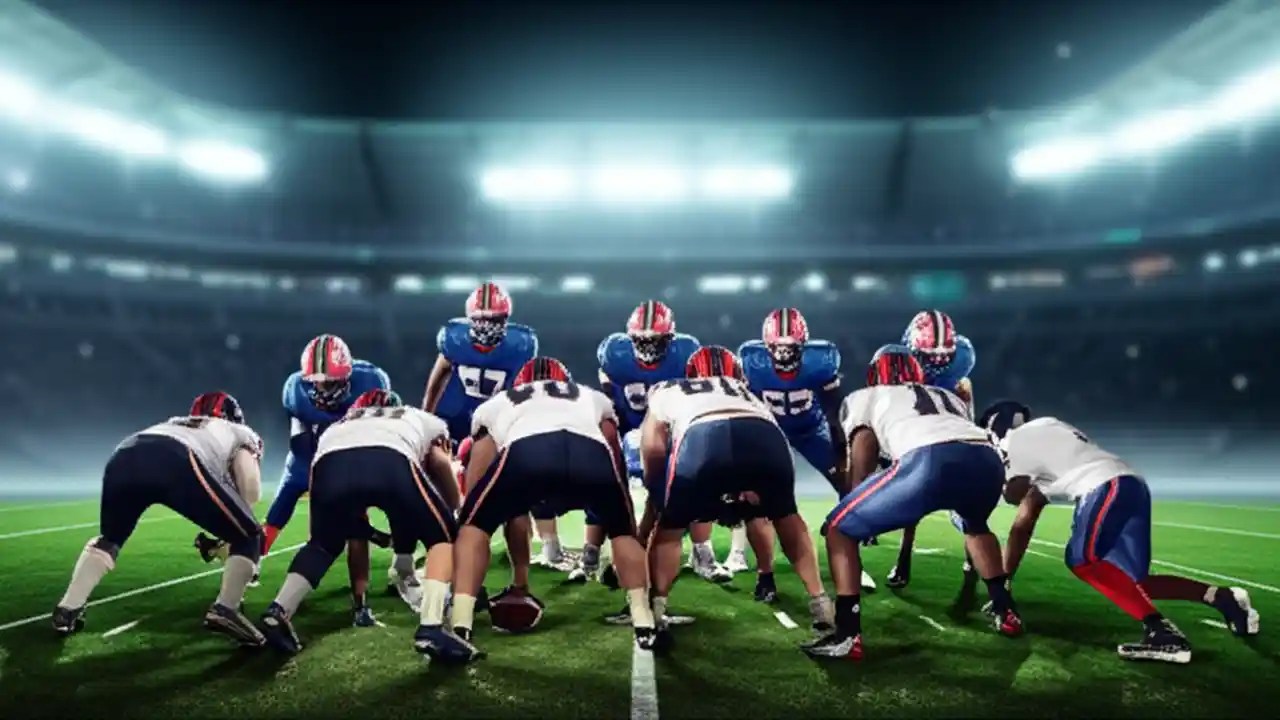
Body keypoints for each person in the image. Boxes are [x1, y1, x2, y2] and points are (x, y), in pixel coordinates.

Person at [985, 401, 1260, 664]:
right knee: (1131, 581)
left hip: (1103, 486)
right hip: (1132, 485)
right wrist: (1005, 581)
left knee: (1082, 560)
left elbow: (1014, 495)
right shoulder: (1047, 436)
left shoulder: (1016, 439)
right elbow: (1024, 521)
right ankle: (1221, 597)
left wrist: (995, 478)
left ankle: (1162, 632)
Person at [804, 348, 1022, 661]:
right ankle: (1006, 610)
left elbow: (864, 448)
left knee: (839, 529)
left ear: (875, 375)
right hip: (986, 460)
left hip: (929, 459)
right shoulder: (949, 396)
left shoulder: (866, 395)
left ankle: (848, 635)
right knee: (976, 527)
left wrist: (853, 501)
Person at [450, 357, 656, 657]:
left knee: (474, 526)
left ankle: (461, 624)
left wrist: (475, 511)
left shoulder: (500, 401)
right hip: (591, 454)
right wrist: (616, 497)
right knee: (623, 533)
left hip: (528, 451)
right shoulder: (590, 396)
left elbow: (480, 463)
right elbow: (611, 442)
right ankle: (644, 620)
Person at [643, 346, 834, 653]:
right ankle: (821, 603)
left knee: (671, 527)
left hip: (703, 435)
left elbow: (653, 446)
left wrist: (657, 489)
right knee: (787, 517)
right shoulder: (746, 391)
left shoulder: (668, 389)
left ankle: (654, 611)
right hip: (765, 438)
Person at [258, 389, 472, 662]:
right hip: (390, 459)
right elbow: (440, 464)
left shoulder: (338, 426)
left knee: (321, 546)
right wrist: (451, 507)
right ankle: (431, 626)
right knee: (443, 539)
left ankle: (279, 611)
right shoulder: (418, 417)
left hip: (329, 466)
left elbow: (319, 477)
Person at [54, 392, 266, 647]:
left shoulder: (178, 422)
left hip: (125, 453)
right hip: (177, 458)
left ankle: (67, 609)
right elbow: (251, 490)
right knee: (250, 534)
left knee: (110, 539)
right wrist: (238, 527)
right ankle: (226, 608)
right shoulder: (238, 432)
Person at [584, 300, 726, 586]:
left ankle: (702, 554)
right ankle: (591, 556)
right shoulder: (615, 353)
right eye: (641, 341)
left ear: (670, 339)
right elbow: (609, 391)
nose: (647, 348)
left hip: (670, 431)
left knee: (696, 484)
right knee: (603, 483)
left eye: (655, 341)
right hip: (629, 427)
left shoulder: (686, 352)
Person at [739, 307, 876, 599]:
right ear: (767, 346)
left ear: (803, 346)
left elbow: (833, 405)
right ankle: (764, 574)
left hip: (811, 430)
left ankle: (855, 561)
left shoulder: (821, 361)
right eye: (778, 347)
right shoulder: (752, 361)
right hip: (771, 429)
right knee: (755, 494)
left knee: (846, 482)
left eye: (791, 348)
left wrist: (841, 446)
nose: (785, 355)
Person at [886, 309, 979, 589]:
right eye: (931, 354)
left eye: (944, 355)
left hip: (951, 427)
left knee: (968, 501)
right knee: (914, 498)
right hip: (919, 429)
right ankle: (904, 558)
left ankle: (971, 557)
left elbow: (965, 405)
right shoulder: (898, 367)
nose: (938, 361)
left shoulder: (961, 368)